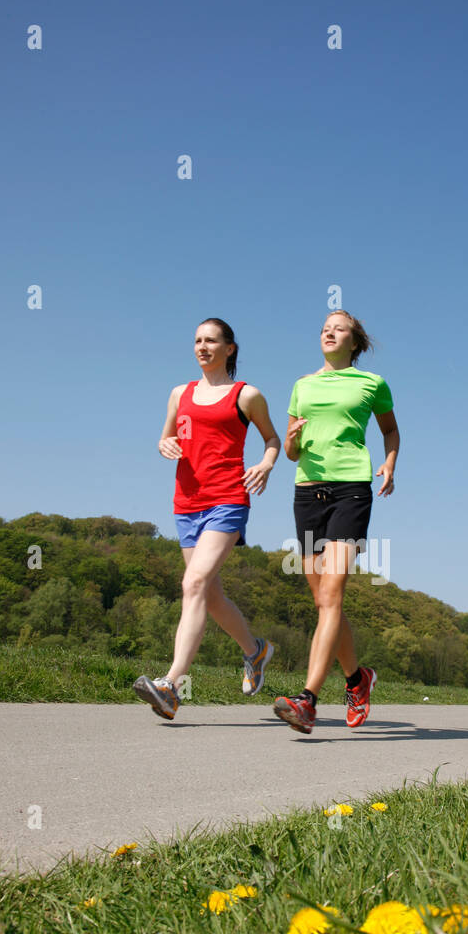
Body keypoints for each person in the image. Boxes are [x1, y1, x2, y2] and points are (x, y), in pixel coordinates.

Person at [133, 318, 279, 720]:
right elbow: (167, 436)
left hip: (228, 498)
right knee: (208, 594)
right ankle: (256, 650)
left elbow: (272, 438)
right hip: (186, 502)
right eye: (197, 340)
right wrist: (165, 443)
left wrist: (266, 464)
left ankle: (171, 685)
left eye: (211, 340)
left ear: (229, 349)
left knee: (193, 582)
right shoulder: (180, 393)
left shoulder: (246, 395)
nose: (202, 346)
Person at [272, 309, 399, 735]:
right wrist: (290, 443)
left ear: (355, 341)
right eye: (325, 327)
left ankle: (306, 699)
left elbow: (390, 431)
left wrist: (390, 463)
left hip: (351, 490)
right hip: (307, 491)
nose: (329, 331)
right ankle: (357, 679)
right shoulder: (302, 386)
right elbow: (292, 450)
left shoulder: (371, 384)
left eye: (339, 327)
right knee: (323, 601)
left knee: (332, 592)